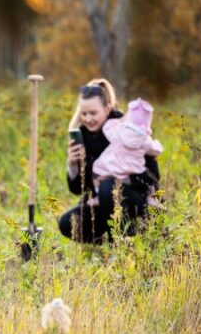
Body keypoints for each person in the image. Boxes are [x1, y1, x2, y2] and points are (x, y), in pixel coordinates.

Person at [58, 79, 161, 243]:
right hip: (100, 202)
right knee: (66, 223)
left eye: (93, 113)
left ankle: (124, 244)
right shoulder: (83, 135)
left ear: (107, 108)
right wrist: (72, 165)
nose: (88, 119)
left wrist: (122, 179)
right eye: (84, 114)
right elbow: (78, 189)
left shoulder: (127, 127)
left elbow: (153, 175)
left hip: (134, 199)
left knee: (108, 188)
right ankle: (111, 244)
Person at [90, 97, 163, 207]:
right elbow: (155, 150)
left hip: (112, 170)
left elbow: (107, 127)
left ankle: (97, 193)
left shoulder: (118, 131)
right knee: (150, 184)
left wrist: (120, 120)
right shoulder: (145, 140)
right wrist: (156, 143)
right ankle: (152, 198)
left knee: (96, 170)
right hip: (133, 172)